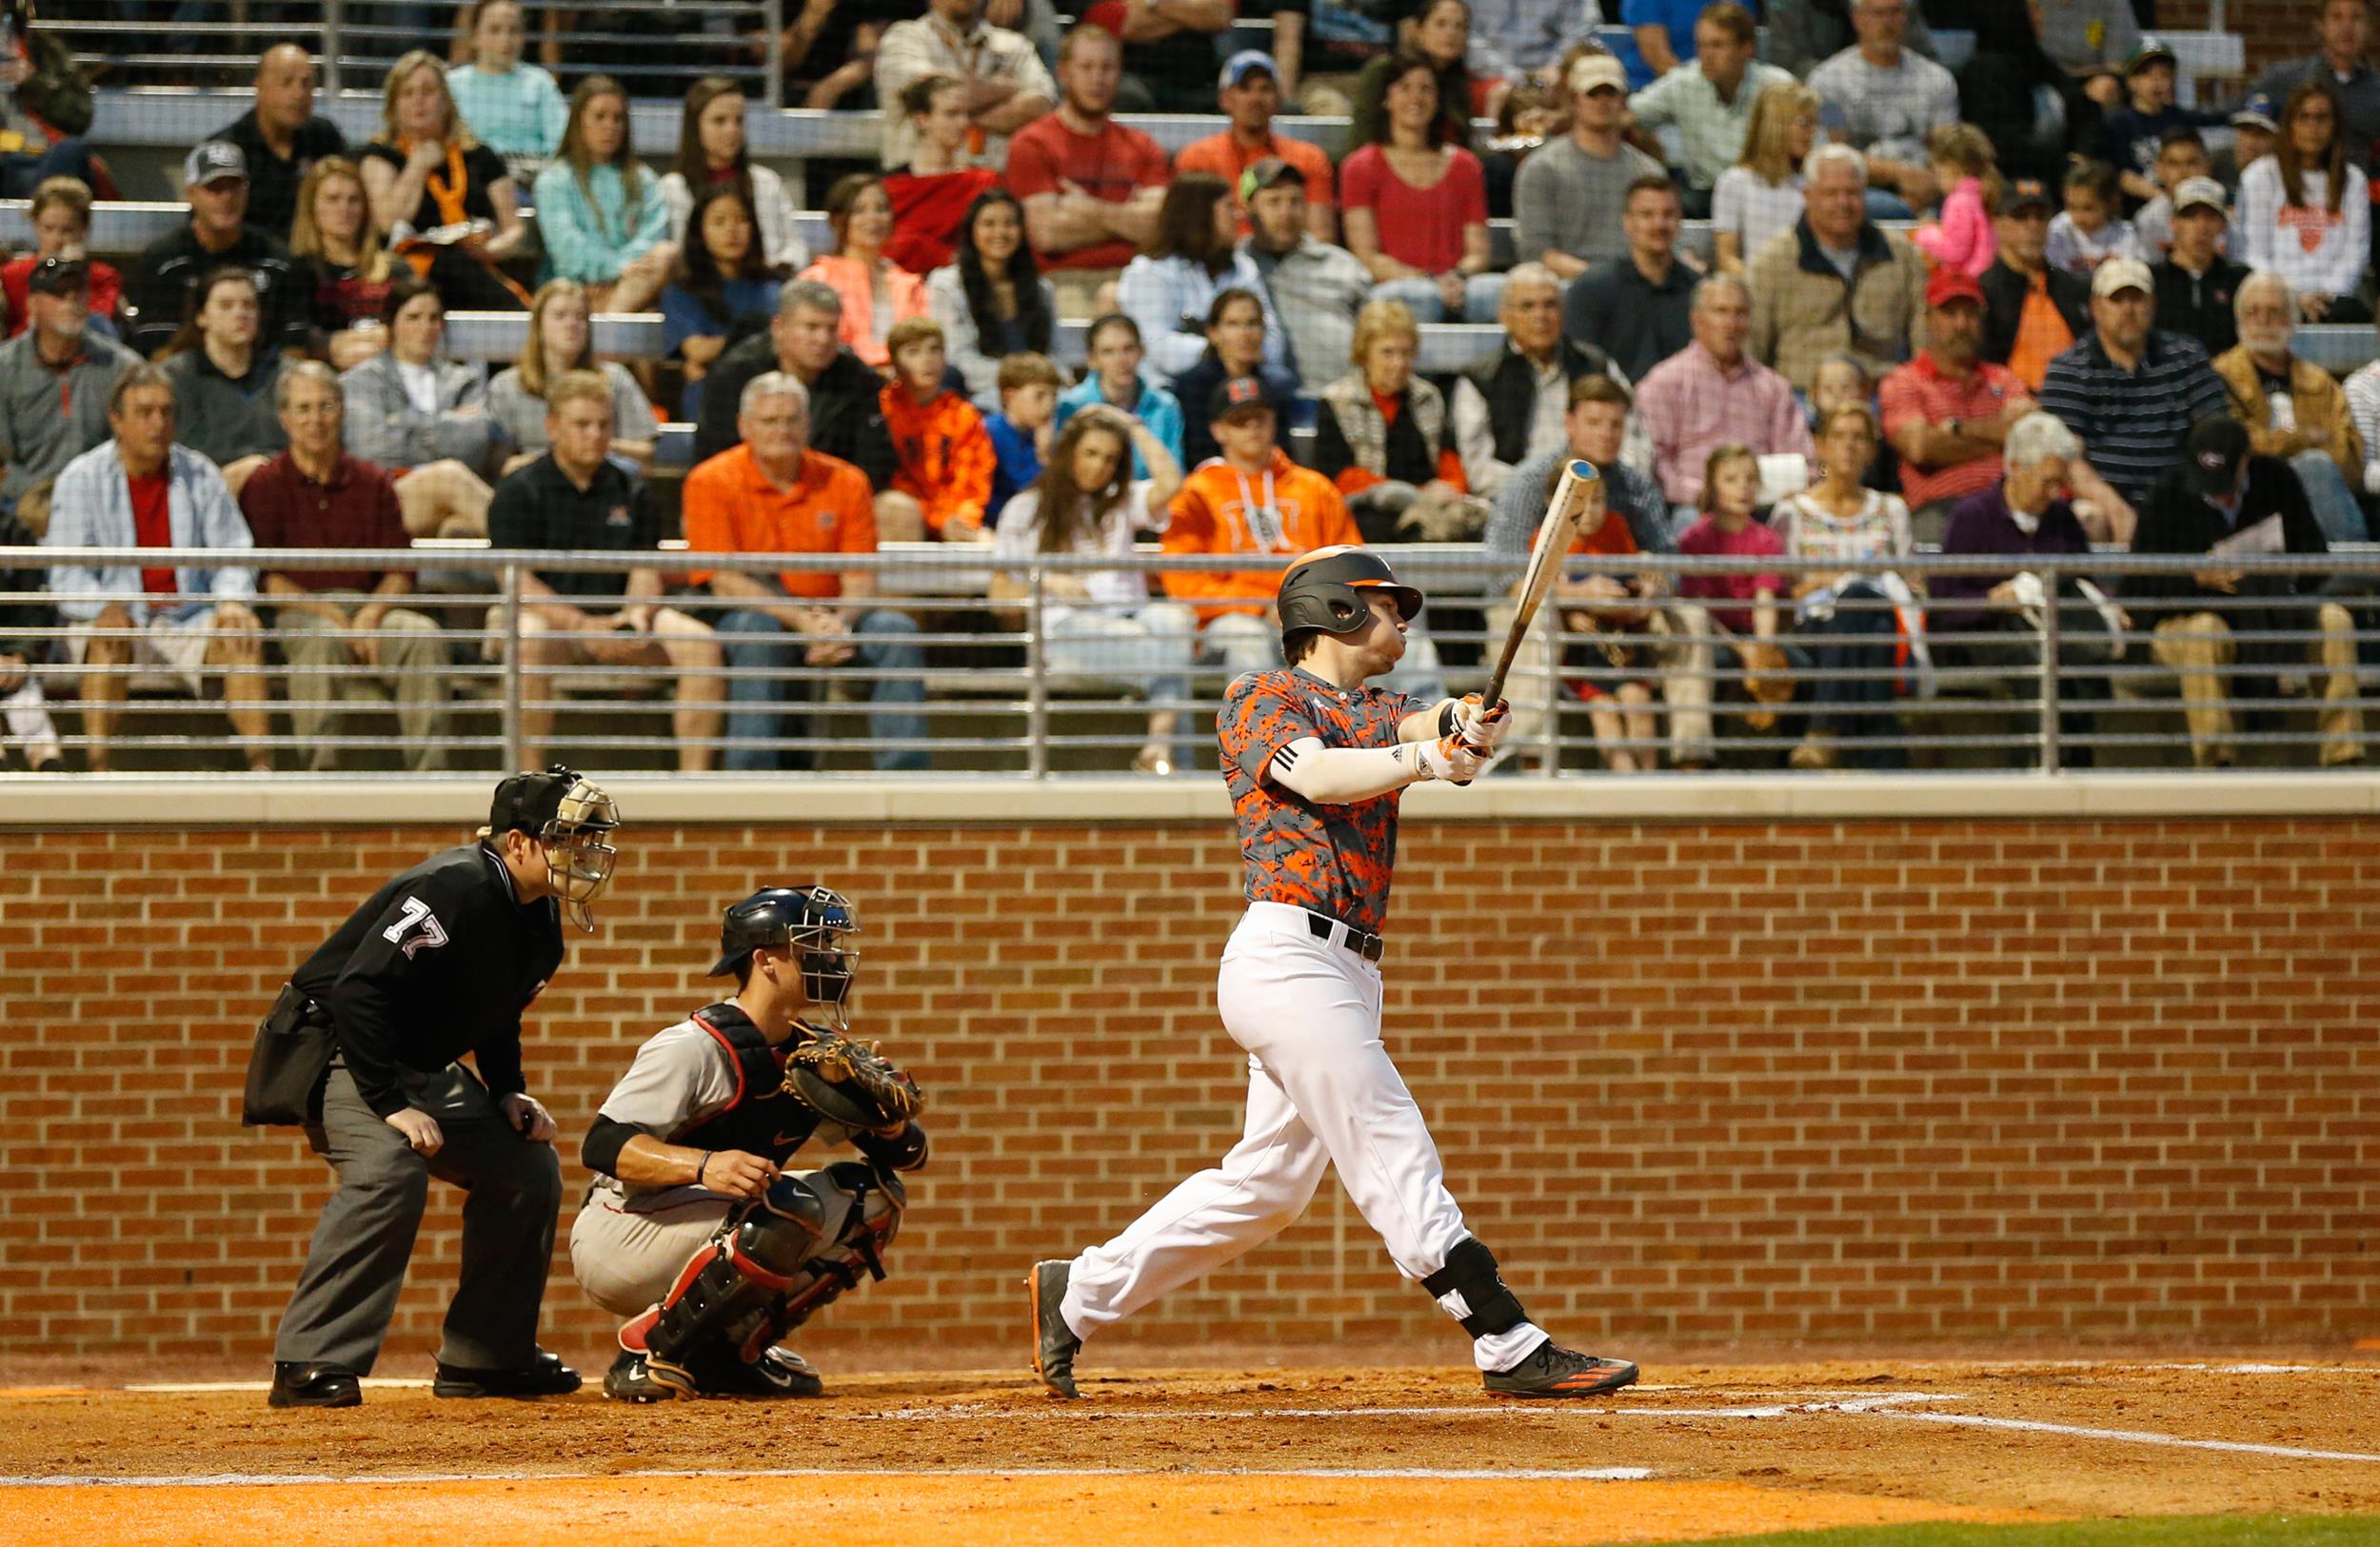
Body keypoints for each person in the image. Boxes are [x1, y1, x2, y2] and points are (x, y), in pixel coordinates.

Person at [1029, 545, 1638, 1402]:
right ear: (1336, 610)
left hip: (1348, 969)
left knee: (1268, 1187)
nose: (1401, 620)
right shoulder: (1261, 697)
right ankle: (1504, 1335)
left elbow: (1421, 725)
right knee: (1387, 1132)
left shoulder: (1372, 707)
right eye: (1387, 604)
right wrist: (1431, 758)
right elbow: (1316, 772)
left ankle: (1079, 1291)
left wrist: (1465, 729)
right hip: (1285, 958)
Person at [257, 766, 616, 1409]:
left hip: (417, 1061)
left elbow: (497, 1011)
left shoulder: (542, 919)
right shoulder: (454, 886)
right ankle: (309, 1359)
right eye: (567, 837)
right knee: (391, 1168)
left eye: (590, 839)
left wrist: (508, 1090)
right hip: (338, 1049)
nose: (583, 852)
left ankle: (488, 1357)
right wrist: (391, 1102)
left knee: (526, 1165)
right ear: (516, 843)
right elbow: (358, 989)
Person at [570, 886, 930, 1402]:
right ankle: (646, 1352)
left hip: (713, 1226)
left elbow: (909, 1158)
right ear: (764, 960)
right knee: (786, 1208)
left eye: (832, 943)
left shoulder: (813, 1053)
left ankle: (728, 1353)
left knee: (871, 1196)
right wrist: (703, 1164)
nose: (830, 958)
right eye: (814, 944)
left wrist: (885, 1121)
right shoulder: (692, 1046)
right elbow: (603, 1145)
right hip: (624, 1230)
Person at [681, 372, 929, 773]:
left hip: (831, 615)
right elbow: (724, 579)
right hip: (752, 614)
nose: (782, 430)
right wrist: (799, 621)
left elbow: (860, 576)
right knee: (755, 632)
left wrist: (837, 625)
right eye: (769, 421)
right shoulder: (710, 481)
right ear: (744, 426)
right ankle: (750, 775)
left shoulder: (847, 481)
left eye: (792, 420)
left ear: (808, 424)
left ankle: (906, 776)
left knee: (896, 630)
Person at [487, 370, 725, 772]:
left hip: (617, 619)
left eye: (603, 425)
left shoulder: (633, 489)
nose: (595, 435)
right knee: (528, 642)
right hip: (549, 622)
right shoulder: (519, 490)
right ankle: (525, 782)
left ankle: (693, 784)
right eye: (582, 425)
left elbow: (645, 568)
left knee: (701, 644)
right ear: (553, 427)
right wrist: (581, 625)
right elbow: (517, 581)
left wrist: (633, 618)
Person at [44, 363, 270, 775]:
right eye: (145, 413)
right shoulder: (81, 478)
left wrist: (232, 602)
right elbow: (67, 573)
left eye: (166, 412)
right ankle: (98, 773)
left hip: (189, 617)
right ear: (117, 420)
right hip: (116, 616)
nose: (158, 423)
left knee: (242, 634)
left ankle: (263, 772)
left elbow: (234, 552)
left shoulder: (200, 472)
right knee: (108, 639)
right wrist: (104, 608)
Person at [239, 362, 451, 773]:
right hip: (302, 612)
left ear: (343, 411)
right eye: (303, 409)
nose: (315, 420)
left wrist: (371, 613)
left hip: (370, 608)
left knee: (423, 636)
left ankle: (430, 778)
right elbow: (266, 577)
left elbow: (400, 568)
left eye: (326, 406)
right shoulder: (265, 484)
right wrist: (328, 614)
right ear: (284, 418)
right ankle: (321, 778)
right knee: (321, 641)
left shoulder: (373, 482)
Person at [2130, 414, 2366, 769]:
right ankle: (2216, 763)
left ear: (2245, 461)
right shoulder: (2167, 496)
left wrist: (2273, 570)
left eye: (2224, 479)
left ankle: (2343, 756)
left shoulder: (2278, 480)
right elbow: (2137, 586)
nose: (2217, 490)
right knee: (2205, 632)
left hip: (2270, 608)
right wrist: (2196, 578)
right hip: (2189, 617)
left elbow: (2315, 559)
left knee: (2335, 621)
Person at [1483, 374, 1695, 765]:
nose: (1607, 434)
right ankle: (1531, 755)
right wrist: (1575, 597)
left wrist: (1654, 590)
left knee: (1692, 619)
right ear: (1569, 423)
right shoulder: (1533, 480)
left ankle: (1691, 756)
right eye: (1594, 423)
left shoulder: (1634, 485)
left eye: (1616, 425)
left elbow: (1667, 555)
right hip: (1552, 602)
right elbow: (1504, 574)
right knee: (1528, 622)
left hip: (1627, 613)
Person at [991, 404, 1193, 773]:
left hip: (1135, 619)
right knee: (1174, 657)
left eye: (1110, 459)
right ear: (1068, 452)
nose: (1099, 466)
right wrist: (1045, 581)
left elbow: (1170, 483)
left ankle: (1157, 748)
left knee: (1176, 621)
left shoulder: (1120, 500)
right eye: (1090, 453)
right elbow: (999, 591)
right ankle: (1167, 756)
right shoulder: (1026, 508)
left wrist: (1131, 425)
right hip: (1066, 629)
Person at [1930, 411, 2118, 767]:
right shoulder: (1972, 516)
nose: (2053, 493)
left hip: (2052, 626)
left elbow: (2083, 580)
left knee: (2080, 656)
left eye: (2059, 483)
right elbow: (1943, 600)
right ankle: (2043, 763)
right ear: (2016, 467)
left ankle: (2079, 766)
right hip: (1983, 633)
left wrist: (2107, 606)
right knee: (2036, 659)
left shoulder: (2061, 517)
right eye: (2046, 481)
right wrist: (1990, 601)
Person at [2036, 256, 2231, 543]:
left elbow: (2217, 436)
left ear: (2152, 306)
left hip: (2179, 498)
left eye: (2137, 299)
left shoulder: (2187, 358)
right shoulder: (2068, 368)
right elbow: (2068, 460)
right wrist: (2118, 511)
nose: (2128, 310)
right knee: (2085, 517)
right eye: (2117, 300)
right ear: (2097, 309)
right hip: (2104, 503)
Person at [1774, 406, 1921, 771]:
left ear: (1872, 450)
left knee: (1864, 605)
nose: (1849, 447)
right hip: (1817, 627)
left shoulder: (1892, 509)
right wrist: (1836, 583)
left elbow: (1913, 585)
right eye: (1839, 437)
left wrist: (1838, 578)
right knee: (1862, 617)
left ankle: (1824, 732)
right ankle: (1884, 765)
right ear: (1820, 446)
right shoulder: (1791, 513)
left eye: (1859, 438)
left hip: (1885, 622)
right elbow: (1782, 593)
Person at [1746, 145, 1930, 395]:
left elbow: (1924, 342)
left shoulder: (1901, 256)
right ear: (1807, 195)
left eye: (1852, 193)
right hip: (1799, 394)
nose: (1843, 203)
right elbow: (1752, 352)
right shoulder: (1772, 262)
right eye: (1830, 193)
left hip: (1883, 393)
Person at [1005, 27, 1170, 305]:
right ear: (1064, 73)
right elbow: (1048, 235)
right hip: (1064, 279)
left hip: (1137, 276)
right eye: (1086, 67)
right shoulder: (1032, 143)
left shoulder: (1143, 146)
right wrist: (1129, 219)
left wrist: (1088, 210)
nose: (1097, 79)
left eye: (1107, 68)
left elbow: (1158, 229)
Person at [691, 281, 899, 501]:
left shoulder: (857, 379)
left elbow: (874, 461)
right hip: (745, 495)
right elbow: (714, 452)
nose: (823, 339)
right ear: (778, 327)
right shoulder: (735, 375)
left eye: (831, 329)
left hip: (830, 496)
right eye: (811, 327)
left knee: (893, 508)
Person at [1453, 265, 1641, 502]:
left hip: (1596, 495)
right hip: (1513, 498)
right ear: (1505, 316)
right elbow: (1480, 469)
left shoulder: (1596, 365)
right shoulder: (1481, 377)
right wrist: (1543, 491)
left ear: (1563, 312)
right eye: (1528, 306)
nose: (1540, 316)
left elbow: (1633, 439)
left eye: (1550, 304)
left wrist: (1598, 485)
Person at [362, 50, 531, 312]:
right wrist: (418, 164)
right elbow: (388, 222)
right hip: (409, 273)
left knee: (461, 265)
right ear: (394, 105)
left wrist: (490, 249)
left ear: (446, 101)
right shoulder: (380, 155)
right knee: (449, 264)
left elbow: (514, 231)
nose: (418, 101)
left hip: (477, 268)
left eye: (428, 92)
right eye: (408, 93)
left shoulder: (480, 156)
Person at [1339, 50, 1498, 323]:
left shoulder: (1465, 165)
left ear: (1437, 100)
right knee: (1419, 298)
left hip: (1457, 284)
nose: (1416, 98)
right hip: (1397, 287)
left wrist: (1455, 277)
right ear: (1387, 99)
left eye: (1426, 89)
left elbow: (1478, 253)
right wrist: (1428, 280)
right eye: (1405, 88)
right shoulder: (1360, 166)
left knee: (1507, 291)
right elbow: (1367, 256)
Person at [2212, 271, 2369, 544]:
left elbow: (2350, 461)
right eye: (2253, 311)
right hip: (2249, 496)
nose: (2263, 321)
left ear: (2293, 320)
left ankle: (2347, 573)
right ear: (2239, 319)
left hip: (2314, 500)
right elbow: (2235, 446)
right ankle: (2354, 573)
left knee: (2316, 467)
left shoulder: (2321, 383)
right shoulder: (2220, 377)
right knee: (2314, 463)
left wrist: (2284, 448)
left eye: (2274, 311)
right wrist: (2305, 438)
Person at [1636, 273, 1815, 510]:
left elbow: (1805, 461)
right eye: (1721, 311)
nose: (1731, 323)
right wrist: (1711, 496)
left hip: (1763, 507)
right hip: (1693, 507)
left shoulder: (1773, 387)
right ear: (1697, 320)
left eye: (1740, 313)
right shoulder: (1665, 382)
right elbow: (1656, 464)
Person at [1878, 269, 2036, 534]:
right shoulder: (1905, 380)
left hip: (2012, 502)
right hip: (1941, 507)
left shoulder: (2003, 378)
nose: (1961, 324)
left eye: (1970, 314)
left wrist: (1955, 429)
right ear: (1929, 319)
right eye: (1950, 314)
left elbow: (2030, 435)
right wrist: (2001, 438)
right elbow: (1919, 447)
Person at [340, 277, 496, 540]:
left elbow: (476, 444)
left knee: (459, 530)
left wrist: (399, 424)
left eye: (433, 318)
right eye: (413, 317)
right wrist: (447, 424)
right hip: (386, 497)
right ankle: (547, 559)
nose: (425, 328)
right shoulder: (359, 380)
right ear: (391, 324)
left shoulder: (464, 380)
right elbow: (371, 449)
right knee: (449, 476)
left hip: (447, 502)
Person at [125, 142, 312, 359]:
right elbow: (157, 354)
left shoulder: (278, 260)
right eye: (214, 188)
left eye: (234, 186)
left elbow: (294, 349)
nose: (226, 198)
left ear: (247, 191)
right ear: (191, 194)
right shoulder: (163, 261)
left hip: (264, 382)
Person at [1313, 300, 1469, 543]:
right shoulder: (1337, 400)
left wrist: (1451, 487)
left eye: (1406, 353)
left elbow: (1449, 458)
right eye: (1388, 352)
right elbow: (1339, 477)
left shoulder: (1428, 397)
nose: (1399, 363)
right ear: (1365, 354)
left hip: (1432, 506)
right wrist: (1413, 494)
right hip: (1368, 509)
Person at [1121, 174, 1295, 387]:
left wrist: (1236, 351)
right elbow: (1156, 346)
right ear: (1201, 215)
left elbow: (1273, 336)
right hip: (1173, 389)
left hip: (1242, 384)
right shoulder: (1150, 271)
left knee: (1282, 383)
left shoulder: (1243, 267)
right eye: (1229, 207)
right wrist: (1224, 350)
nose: (1238, 215)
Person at [1626, 3, 1794, 218]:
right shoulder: (1684, 82)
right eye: (1701, 46)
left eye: (1717, 45)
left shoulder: (1777, 88)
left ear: (1746, 48)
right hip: (1704, 195)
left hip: (1764, 192)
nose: (1707, 55)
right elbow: (1627, 115)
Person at [530, 75, 677, 314]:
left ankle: (611, 319)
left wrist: (622, 275)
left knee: (666, 254)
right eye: (600, 117)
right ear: (579, 121)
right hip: (572, 289)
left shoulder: (645, 179)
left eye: (618, 118)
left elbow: (655, 236)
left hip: (631, 285)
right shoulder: (553, 181)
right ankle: (613, 325)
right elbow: (566, 250)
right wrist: (616, 267)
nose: (610, 126)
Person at [1676, 442, 1795, 736]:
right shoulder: (1695, 539)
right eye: (1731, 480)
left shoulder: (1767, 540)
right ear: (1712, 487)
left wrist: (1762, 649)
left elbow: (1765, 599)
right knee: (1720, 664)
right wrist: (1741, 649)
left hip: (1753, 631)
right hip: (1714, 633)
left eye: (1751, 480)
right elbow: (1699, 607)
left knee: (1796, 664)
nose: (1743, 488)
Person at [0, 256, 136, 511]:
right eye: (59, 294)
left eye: (78, 292)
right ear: (33, 304)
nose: (72, 301)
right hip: (22, 505)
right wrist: (41, 500)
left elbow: (134, 448)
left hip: (103, 501)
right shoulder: (5, 368)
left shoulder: (122, 367)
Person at [1514, 52, 1665, 280]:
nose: (1602, 102)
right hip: (1565, 285)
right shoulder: (1542, 167)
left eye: (1611, 93)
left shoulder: (1648, 172)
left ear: (1623, 100)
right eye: (1593, 94)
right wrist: (1598, 281)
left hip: (1634, 285)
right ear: (1574, 99)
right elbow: (1536, 250)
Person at [1805, 0, 1961, 219]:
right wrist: (1897, 174)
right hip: (1853, 192)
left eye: (1894, 13)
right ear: (1857, 18)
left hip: (1926, 191)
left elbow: (1948, 155)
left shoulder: (1936, 80)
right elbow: (1827, 156)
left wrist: (1920, 193)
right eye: (1877, 14)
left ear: (1905, 17)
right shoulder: (1828, 81)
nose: (1886, 23)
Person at [488, 278, 660, 472]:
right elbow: (501, 465)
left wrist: (593, 446)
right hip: (534, 484)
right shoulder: (507, 385)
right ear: (539, 326)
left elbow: (646, 455)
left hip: (601, 479)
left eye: (580, 317)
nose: (571, 324)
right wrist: (560, 458)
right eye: (560, 316)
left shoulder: (615, 378)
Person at [2238, 83, 2374, 326]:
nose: (2313, 127)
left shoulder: (2353, 180)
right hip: (2274, 297)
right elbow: (2254, 252)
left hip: (2335, 301)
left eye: (2322, 118)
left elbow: (2356, 253)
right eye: (2304, 118)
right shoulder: (2259, 176)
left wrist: (2327, 295)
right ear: (2290, 124)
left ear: (2335, 126)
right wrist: (2292, 297)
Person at [1237, 158, 1373, 395]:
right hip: (1258, 406)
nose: (1286, 213)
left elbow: (1375, 334)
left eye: (1295, 201)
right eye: (1273, 202)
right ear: (1249, 208)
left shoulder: (1342, 265)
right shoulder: (1234, 267)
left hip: (1339, 401)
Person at [1179, 51, 1339, 241]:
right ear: (1225, 99)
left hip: (1287, 262)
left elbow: (1320, 236)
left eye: (1265, 89)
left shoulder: (1309, 157)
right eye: (1245, 89)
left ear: (1278, 99)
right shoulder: (1197, 157)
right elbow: (1189, 232)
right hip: (1220, 262)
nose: (1256, 98)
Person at [159, 267, 288, 497]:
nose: (241, 314)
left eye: (249, 305)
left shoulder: (285, 375)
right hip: (198, 495)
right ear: (201, 316)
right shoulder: (175, 377)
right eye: (226, 306)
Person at [658, 78, 808, 273]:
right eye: (719, 121)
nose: (732, 130)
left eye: (739, 121)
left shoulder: (766, 182)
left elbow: (795, 247)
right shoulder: (671, 189)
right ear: (695, 126)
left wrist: (776, 271)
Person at [925, 188, 1057, 411]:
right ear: (972, 232)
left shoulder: (1042, 289)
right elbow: (957, 361)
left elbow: (1056, 354)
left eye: (1009, 224)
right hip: (979, 399)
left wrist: (1042, 386)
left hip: (1041, 400)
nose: (1000, 232)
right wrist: (1024, 381)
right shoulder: (947, 285)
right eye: (989, 224)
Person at [661, 188, 783, 422]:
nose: (731, 230)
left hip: (771, 389)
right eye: (719, 221)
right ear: (700, 232)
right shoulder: (681, 290)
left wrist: (716, 353)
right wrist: (759, 336)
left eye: (741, 220)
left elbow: (787, 343)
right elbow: (697, 350)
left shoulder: (775, 285)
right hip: (711, 397)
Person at [1562, 175, 1699, 385]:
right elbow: (1578, 368)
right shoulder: (1591, 289)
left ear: (1680, 220)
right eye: (1647, 215)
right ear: (1627, 222)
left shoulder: (1699, 291)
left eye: (1668, 214)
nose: (1659, 224)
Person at [798, 174, 930, 372]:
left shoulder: (910, 283)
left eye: (881, 209)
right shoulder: (817, 280)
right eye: (859, 210)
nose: (873, 219)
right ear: (838, 220)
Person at [215, 45, 347, 242]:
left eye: (306, 83)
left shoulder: (325, 137)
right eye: (286, 82)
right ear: (259, 86)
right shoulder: (228, 149)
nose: (299, 94)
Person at [880, 316, 996, 541]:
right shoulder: (882, 410)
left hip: (957, 522)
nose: (927, 360)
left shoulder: (964, 415)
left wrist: (963, 519)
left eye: (935, 350)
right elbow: (889, 476)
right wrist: (937, 520)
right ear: (895, 362)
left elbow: (975, 479)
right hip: (905, 518)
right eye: (913, 352)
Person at [1954, 1, 2092, 188]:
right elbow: (2005, 147)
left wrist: (2083, 154)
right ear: (2012, 15)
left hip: (2063, 172)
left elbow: (2086, 112)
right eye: (2032, 11)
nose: (2040, 18)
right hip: (2014, 183)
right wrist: (2065, 164)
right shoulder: (1983, 72)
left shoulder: (2037, 59)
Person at [883, 75, 1004, 278]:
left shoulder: (984, 183)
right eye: (952, 114)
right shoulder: (892, 187)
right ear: (923, 120)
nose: (963, 123)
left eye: (966, 114)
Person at [1173, 288, 1303, 472]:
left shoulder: (1278, 386)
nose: (1245, 334)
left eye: (1253, 323)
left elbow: (1284, 450)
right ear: (1213, 333)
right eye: (1233, 324)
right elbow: (1196, 455)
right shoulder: (1192, 386)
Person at [1979, 178, 2092, 391]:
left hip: (2076, 401)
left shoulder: (2074, 287)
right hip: (2009, 404)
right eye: (2020, 217)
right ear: (1997, 222)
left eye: (2040, 217)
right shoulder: (1983, 291)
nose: (2032, 226)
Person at [288, 158, 396, 371]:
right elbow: (297, 341)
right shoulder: (297, 271)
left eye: (353, 200)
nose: (344, 209)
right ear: (312, 207)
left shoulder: (395, 268)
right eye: (332, 199)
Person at [2253, 0, 2380, 182]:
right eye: (2337, 17)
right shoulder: (2287, 78)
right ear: (2320, 24)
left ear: (2370, 27)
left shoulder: (2376, 91)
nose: (2346, 27)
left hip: (2361, 195)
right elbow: (2236, 112)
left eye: (2356, 17)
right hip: (2294, 195)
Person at [1054, 311, 1185, 478]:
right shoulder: (1070, 405)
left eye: (1128, 348)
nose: (1121, 360)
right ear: (1092, 359)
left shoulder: (1165, 406)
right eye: (1108, 352)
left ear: (1142, 351)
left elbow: (1175, 473)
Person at [1712, 82, 1821, 277]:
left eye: (1815, 123)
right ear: (1777, 125)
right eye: (1805, 123)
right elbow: (1726, 258)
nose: (1812, 132)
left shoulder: (1813, 182)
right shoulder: (1735, 182)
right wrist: (1762, 287)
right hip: (1755, 290)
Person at [445, 0, 567, 172]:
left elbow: (560, 142)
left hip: (530, 178)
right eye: (495, 30)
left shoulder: (540, 82)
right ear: (474, 36)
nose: (505, 39)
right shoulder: (451, 85)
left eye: (514, 30)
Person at [2103, 37, 2224, 206]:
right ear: (2130, 81)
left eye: (2164, 74)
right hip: (2137, 209)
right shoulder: (2119, 122)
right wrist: (2159, 197)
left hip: (2185, 205)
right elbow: (2120, 174)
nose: (2156, 82)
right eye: (2146, 74)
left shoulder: (2180, 119)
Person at [1346, 0, 1478, 153]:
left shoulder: (1459, 81)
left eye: (1460, 27)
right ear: (1419, 30)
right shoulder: (1384, 70)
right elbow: (1362, 138)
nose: (1451, 33)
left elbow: (1463, 144)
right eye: (1441, 24)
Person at [0, 176, 119, 340]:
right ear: (35, 224)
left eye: (67, 230)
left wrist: (76, 270)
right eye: (48, 228)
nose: (57, 239)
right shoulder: (11, 275)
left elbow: (97, 330)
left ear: (84, 229)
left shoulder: (103, 277)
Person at [2152, 178, 2252, 358]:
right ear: (2173, 223)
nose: (2201, 227)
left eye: (2210, 216)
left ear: (2223, 225)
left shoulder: (2239, 280)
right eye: (2190, 216)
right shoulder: (2152, 279)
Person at [0, 0, 90, 200]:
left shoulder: (43, 50)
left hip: (40, 161)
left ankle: (52, 226)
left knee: (72, 150)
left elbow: (81, 116)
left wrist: (34, 84)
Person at [0, 496, 61, 771]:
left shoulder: (16, 533)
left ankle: (50, 772)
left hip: (8, 658)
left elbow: (33, 605)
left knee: (27, 701)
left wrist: (19, 655)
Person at [1764, 0, 1941, 85]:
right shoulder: (1787, 4)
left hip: (1897, 90)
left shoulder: (1892, 4)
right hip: (1819, 94)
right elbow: (1789, 63)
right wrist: (1853, 80)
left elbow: (1926, 56)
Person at [1911, 122, 1999, 280]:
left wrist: (1925, 233)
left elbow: (1954, 253)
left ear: (1952, 168)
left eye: (1938, 173)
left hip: (1968, 284)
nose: (1937, 180)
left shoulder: (1959, 201)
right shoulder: (1983, 191)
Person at [986, 350, 1061, 522]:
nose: (1050, 405)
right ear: (1010, 396)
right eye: (1040, 396)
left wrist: (1046, 456)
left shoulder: (1049, 438)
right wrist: (1043, 457)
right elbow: (1020, 492)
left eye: (1054, 396)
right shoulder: (988, 434)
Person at [2132, 129, 2226, 261]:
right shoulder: (2148, 219)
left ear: (2207, 166)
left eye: (2192, 163)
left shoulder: (2227, 218)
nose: (2183, 172)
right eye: (2174, 164)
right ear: (2159, 169)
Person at [2045, 158, 2143, 276]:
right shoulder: (2057, 229)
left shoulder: (2125, 234)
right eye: (2072, 206)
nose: (2078, 216)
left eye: (2088, 208)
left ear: (2110, 203)